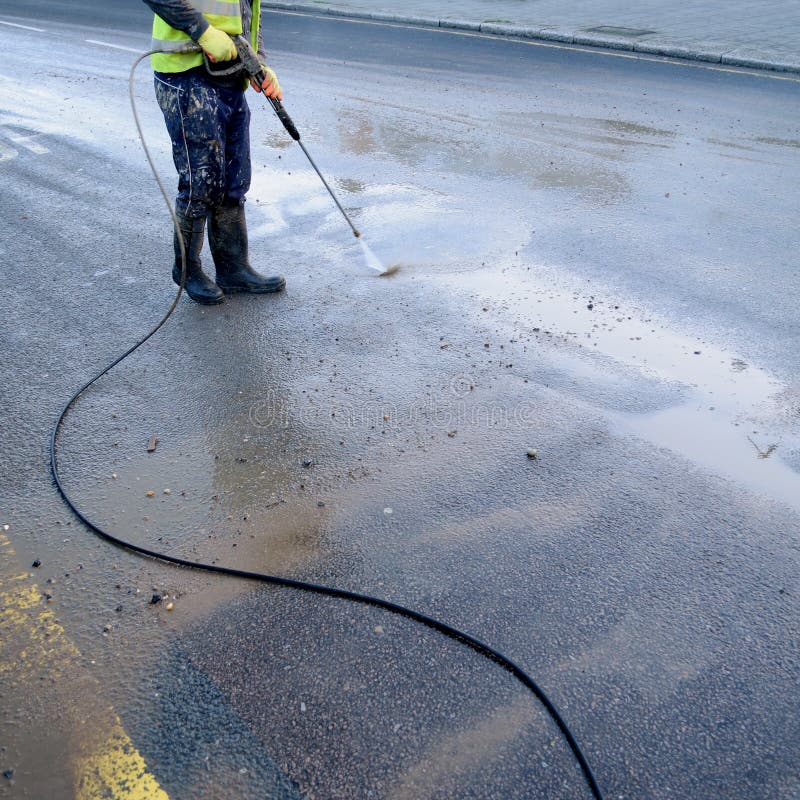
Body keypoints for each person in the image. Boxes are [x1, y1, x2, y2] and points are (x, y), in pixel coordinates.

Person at [142, 0, 286, 304]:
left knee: (234, 178)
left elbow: (247, 10)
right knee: (201, 181)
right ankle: (187, 270)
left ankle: (233, 268)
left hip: (230, 72)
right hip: (185, 71)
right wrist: (203, 31)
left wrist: (257, 62)